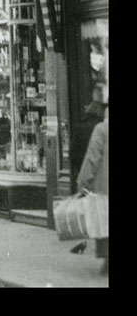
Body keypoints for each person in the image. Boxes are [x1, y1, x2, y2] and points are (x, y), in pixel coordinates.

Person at [68, 100, 106, 254]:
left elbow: (75, 153)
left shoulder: (83, 127)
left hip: (91, 176)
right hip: (100, 177)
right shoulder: (100, 128)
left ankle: (84, 243)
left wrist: (80, 174)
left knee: (88, 213)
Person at [77, 106, 109, 274]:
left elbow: (92, 158)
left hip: (105, 188)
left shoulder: (102, 129)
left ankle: (107, 260)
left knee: (104, 223)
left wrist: (83, 182)